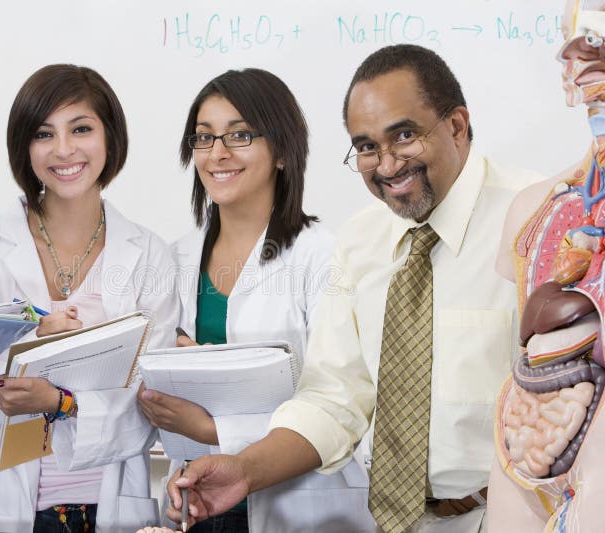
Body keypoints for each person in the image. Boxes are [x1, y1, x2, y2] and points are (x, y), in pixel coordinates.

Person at [165, 45, 544, 533]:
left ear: (456, 125)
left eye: (404, 135)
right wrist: (244, 470)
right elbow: (335, 399)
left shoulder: (537, 221)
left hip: (510, 517)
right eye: (366, 146)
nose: (386, 165)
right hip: (391, 522)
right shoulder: (363, 242)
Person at [0, 64, 180, 533]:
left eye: (81, 128)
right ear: (24, 146)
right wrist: (34, 342)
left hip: (110, 505)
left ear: (110, 137)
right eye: (43, 133)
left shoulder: (150, 254)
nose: (63, 150)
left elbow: (152, 399)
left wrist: (61, 402)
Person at [137, 68, 374, 533]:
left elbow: (341, 404)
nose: (218, 153)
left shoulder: (324, 256)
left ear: (282, 151)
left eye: (240, 134)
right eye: (204, 138)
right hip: (199, 506)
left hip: (305, 509)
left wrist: (213, 429)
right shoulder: (173, 257)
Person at [487, 0, 605, 530]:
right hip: (529, 448)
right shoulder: (533, 212)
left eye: (596, 34)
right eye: (572, 37)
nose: (577, 53)